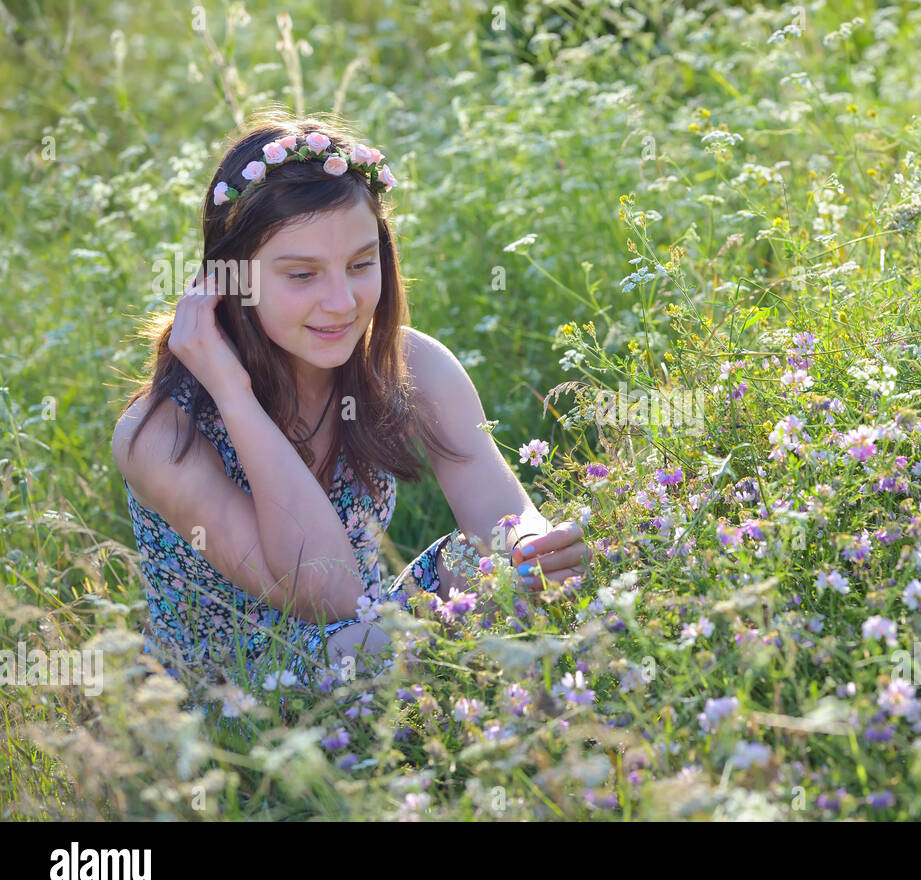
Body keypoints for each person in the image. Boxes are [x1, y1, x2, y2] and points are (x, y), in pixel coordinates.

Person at [111, 109, 591, 688]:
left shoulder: (410, 366)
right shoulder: (161, 432)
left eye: (361, 264)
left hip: (367, 637)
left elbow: (502, 519)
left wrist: (533, 548)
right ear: (231, 280)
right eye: (302, 275)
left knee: (488, 569)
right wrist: (234, 395)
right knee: (370, 646)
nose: (341, 303)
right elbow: (328, 592)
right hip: (234, 698)